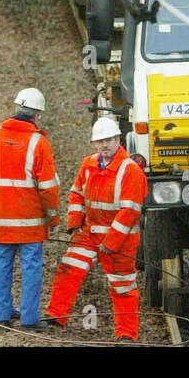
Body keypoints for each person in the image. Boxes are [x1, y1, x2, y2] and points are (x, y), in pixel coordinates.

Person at [45, 117, 146, 341]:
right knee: (69, 269)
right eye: (100, 141)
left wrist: (111, 242)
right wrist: (74, 223)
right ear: (95, 143)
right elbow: (76, 195)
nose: (104, 145)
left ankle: (126, 335)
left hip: (121, 239)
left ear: (118, 139)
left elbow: (129, 212)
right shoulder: (89, 164)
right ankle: (55, 316)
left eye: (109, 140)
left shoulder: (130, 171)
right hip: (89, 233)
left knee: (123, 287)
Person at [0, 88, 59, 329]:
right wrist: (52, 219)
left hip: (1, 220)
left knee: (0, 266)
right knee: (31, 269)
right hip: (30, 223)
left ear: (15, 109)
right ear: (38, 115)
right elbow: (48, 188)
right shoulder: (39, 143)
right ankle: (29, 319)